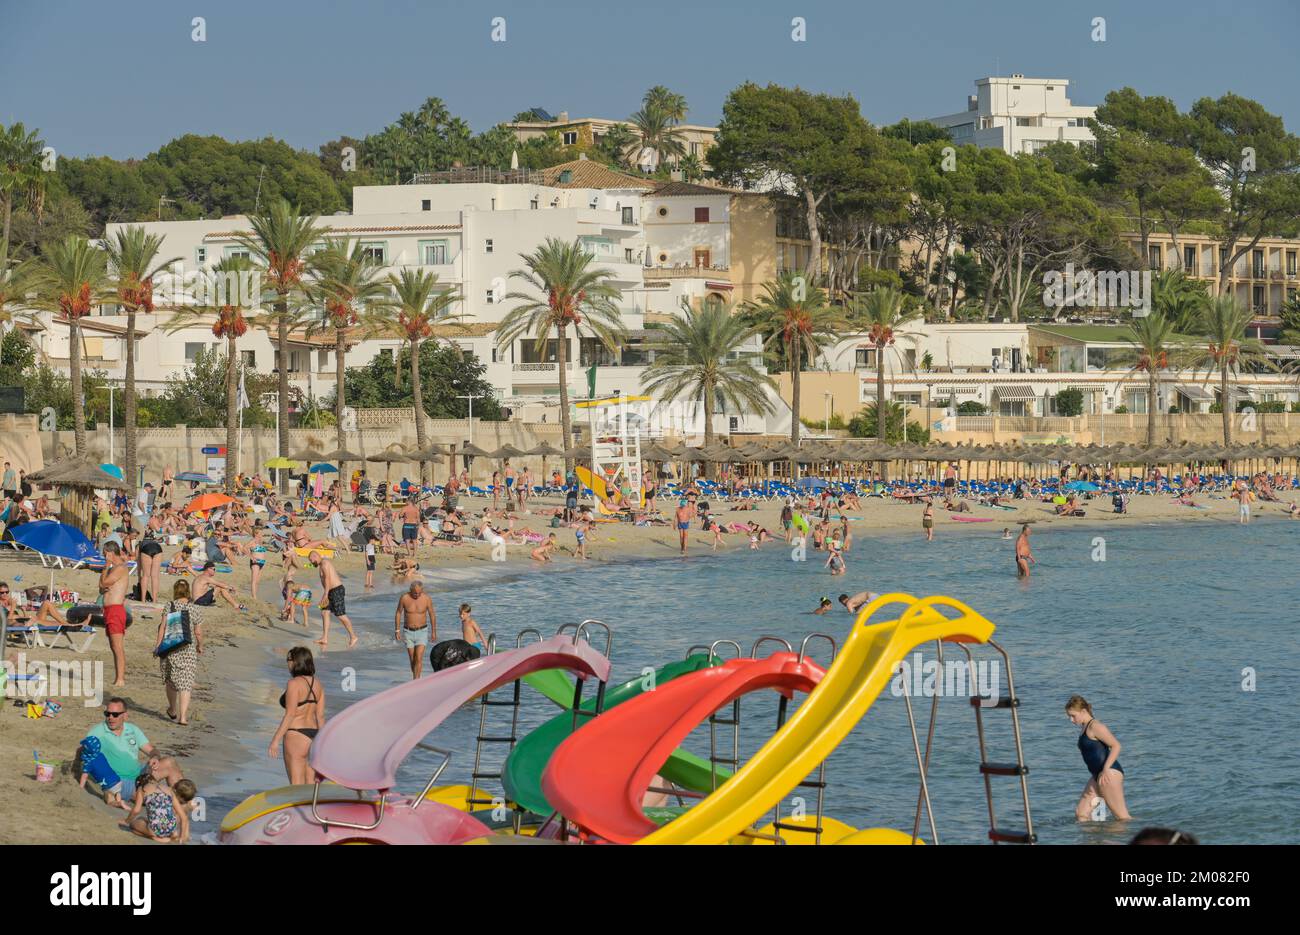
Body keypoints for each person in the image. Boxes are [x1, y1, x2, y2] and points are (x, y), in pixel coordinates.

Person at [1066, 695, 1132, 821]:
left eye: (1073, 715)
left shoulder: (1095, 726)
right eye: (1069, 716)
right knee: (1081, 814)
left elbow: (1116, 746)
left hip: (1109, 773)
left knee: (1122, 818)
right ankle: (1096, 839)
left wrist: (1106, 769)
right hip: (1097, 775)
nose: (1071, 719)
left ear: (1084, 711)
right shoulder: (1084, 727)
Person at [269, 647, 325, 784]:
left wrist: (275, 740)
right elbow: (320, 717)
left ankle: (296, 806)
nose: (287, 664)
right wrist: (324, 741)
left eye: (289, 660)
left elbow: (290, 714)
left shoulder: (293, 684)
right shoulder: (318, 684)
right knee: (311, 788)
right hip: (314, 736)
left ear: (296, 662)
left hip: (296, 735)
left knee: (296, 786)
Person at [84, 698, 155, 801]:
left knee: (169, 763)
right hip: (118, 780)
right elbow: (84, 753)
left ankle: (185, 801)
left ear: (125, 716)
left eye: (115, 714)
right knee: (154, 797)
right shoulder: (97, 732)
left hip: (139, 774)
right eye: (107, 714)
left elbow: (151, 750)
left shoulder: (132, 729)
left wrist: (155, 757)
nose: (110, 718)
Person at [155, 579, 203, 726]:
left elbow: (162, 627)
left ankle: (172, 709)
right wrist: (200, 645)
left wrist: (157, 646)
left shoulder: (169, 605)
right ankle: (183, 717)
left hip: (170, 648)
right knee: (186, 684)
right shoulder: (195, 608)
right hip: (187, 649)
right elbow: (198, 632)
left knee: (171, 681)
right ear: (188, 591)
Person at [309, 550, 357, 647]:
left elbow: (327, 578)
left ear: (315, 556)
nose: (311, 562)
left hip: (336, 591)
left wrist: (325, 594)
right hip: (330, 591)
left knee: (340, 615)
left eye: (311, 560)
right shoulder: (322, 564)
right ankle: (325, 638)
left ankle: (353, 636)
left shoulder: (325, 563)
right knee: (324, 612)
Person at [99, 542, 130, 687]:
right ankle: (118, 677)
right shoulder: (113, 569)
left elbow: (104, 583)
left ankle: (120, 679)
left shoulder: (120, 569)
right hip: (109, 610)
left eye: (105, 553)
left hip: (116, 610)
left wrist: (105, 567)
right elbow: (101, 588)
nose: (104, 556)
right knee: (113, 646)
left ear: (111, 553)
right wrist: (106, 571)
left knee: (117, 646)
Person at [394, 581, 435, 679]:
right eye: (415, 593)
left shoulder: (426, 598)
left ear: (422, 590)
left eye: (419, 593)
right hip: (408, 632)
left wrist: (433, 631)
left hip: (422, 631)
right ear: (410, 590)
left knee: (419, 658)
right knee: (412, 659)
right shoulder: (404, 598)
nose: (417, 595)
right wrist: (397, 630)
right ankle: (415, 678)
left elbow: (432, 614)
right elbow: (398, 613)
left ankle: (417, 681)